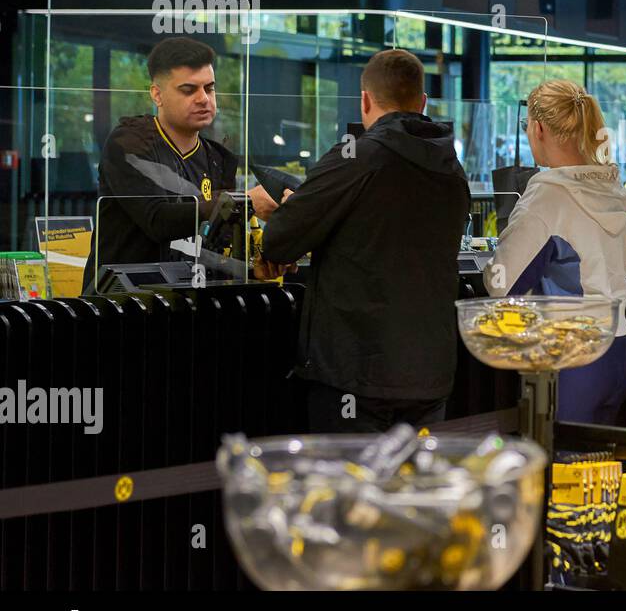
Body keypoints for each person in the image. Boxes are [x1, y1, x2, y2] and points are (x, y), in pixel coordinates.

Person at [254, 48, 470, 433]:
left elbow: (280, 241)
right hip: (430, 373)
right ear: (423, 102)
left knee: (351, 490)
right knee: (414, 490)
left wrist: (289, 209)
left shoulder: (358, 158)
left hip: (356, 373)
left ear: (365, 100)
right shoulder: (452, 169)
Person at [486, 80, 626, 425]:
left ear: (537, 128)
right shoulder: (611, 187)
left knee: (559, 472)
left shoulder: (548, 197)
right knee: (598, 472)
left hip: (572, 357)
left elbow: (502, 284)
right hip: (619, 350)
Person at [82, 38, 239, 295]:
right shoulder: (130, 142)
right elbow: (157, 220)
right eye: (189, 90)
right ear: (157, 94)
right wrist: (232, 203)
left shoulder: (217, 158)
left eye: (209, 89)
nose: (203, 99)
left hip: (188, 302)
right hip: (122, 306)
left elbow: (220, 242)